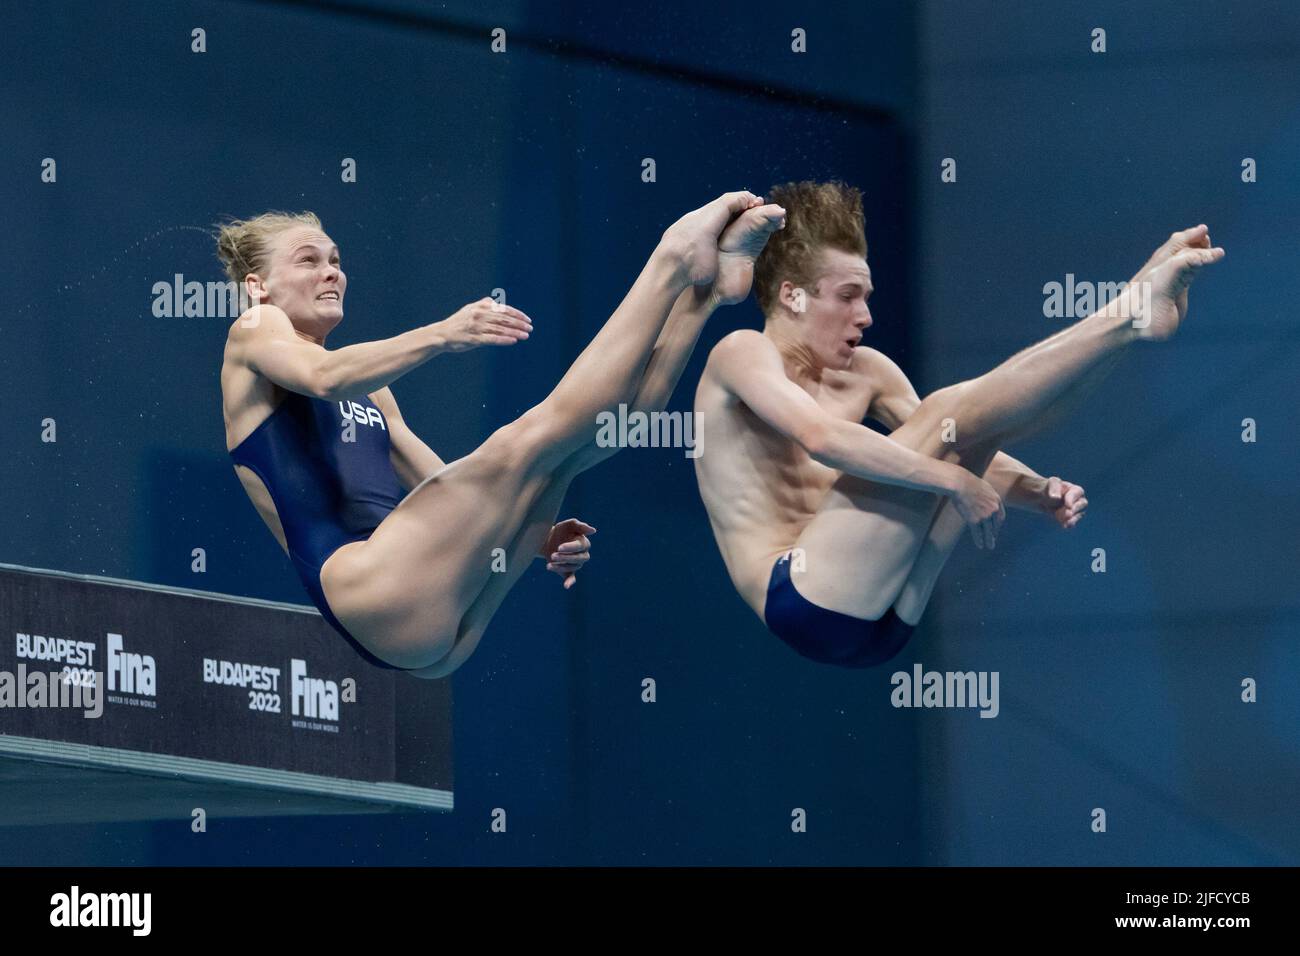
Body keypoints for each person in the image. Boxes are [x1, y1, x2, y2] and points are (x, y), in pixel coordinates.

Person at [219, 192, 786, 675]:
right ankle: (671, 258)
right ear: (257, 287)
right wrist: (442, 334)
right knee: (531, 439)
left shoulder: (374, 394)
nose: (331, 271)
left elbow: (439, 484)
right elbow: (323, 377)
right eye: (308, 260)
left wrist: (535, 533)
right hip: (367, 588)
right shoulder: (253, 332)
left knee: (573, 453)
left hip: (429, 630)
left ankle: (703, 295)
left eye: (336, 260)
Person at [693, 180, 1223, 668]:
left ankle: (1131, 321)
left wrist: (1040, 492)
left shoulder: (867, 373)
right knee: (946, 415)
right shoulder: (741, 354)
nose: (866, 317)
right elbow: (823, 438)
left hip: (886, 617)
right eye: (847, 296)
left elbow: (974, 426)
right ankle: (1131, 309)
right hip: (801, 597)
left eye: (868, 298)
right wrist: (956, 481)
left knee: (980, 430)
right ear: (792, 295)